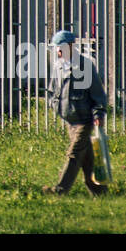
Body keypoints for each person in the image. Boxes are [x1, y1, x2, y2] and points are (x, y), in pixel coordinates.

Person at [43, 29, 108, 197]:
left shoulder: (85, 66)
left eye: (62, 47)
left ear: (72, 46)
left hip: (84, 120)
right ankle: (99, 192)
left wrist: (98, 114)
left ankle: (60, 190)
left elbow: (98, 94)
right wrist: (55, 105)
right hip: (69, 120)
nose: (58, 51)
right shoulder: (58, 67)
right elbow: (51, 92)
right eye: (56, 47)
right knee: (87, 161)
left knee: (73, 154)